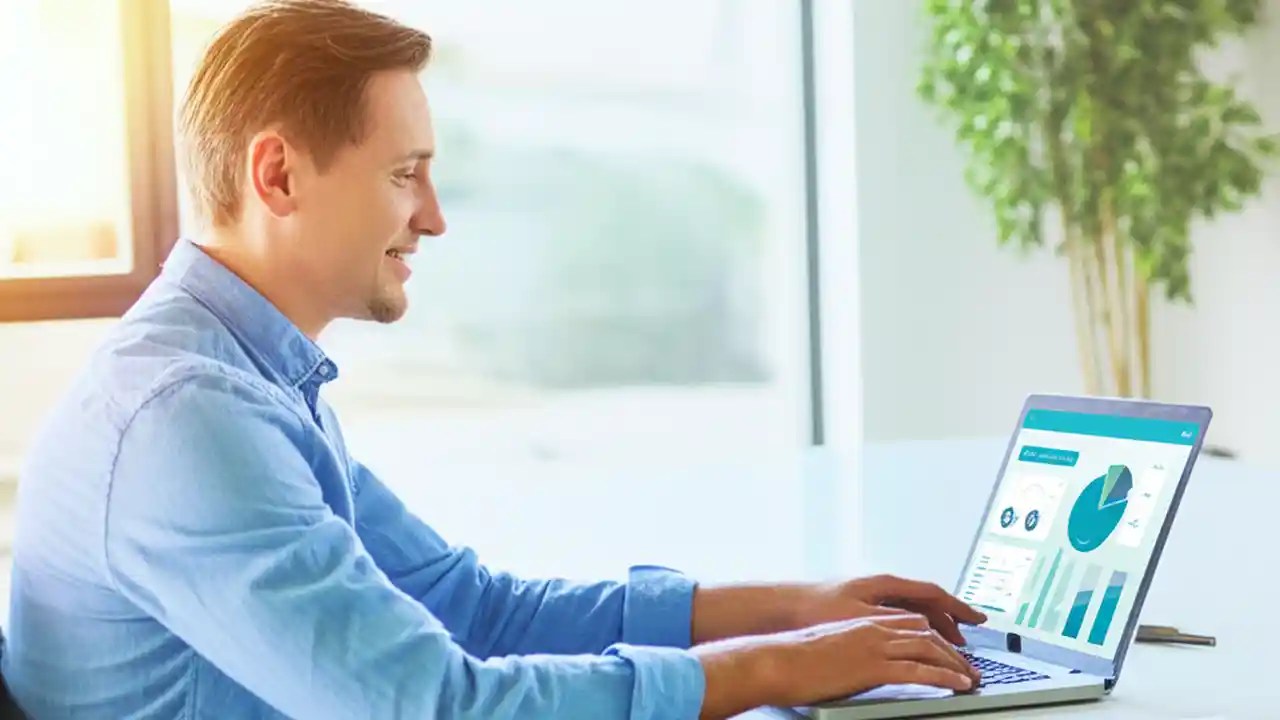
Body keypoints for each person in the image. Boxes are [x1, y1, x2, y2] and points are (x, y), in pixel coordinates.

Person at [2, 1, 986, 717]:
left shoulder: (246, 383)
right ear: (278, 175)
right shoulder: (186, 420)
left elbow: (472, 609)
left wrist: (798, 610)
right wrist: (777, 667)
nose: (433, 217)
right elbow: (433, 705)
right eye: (404, 174)